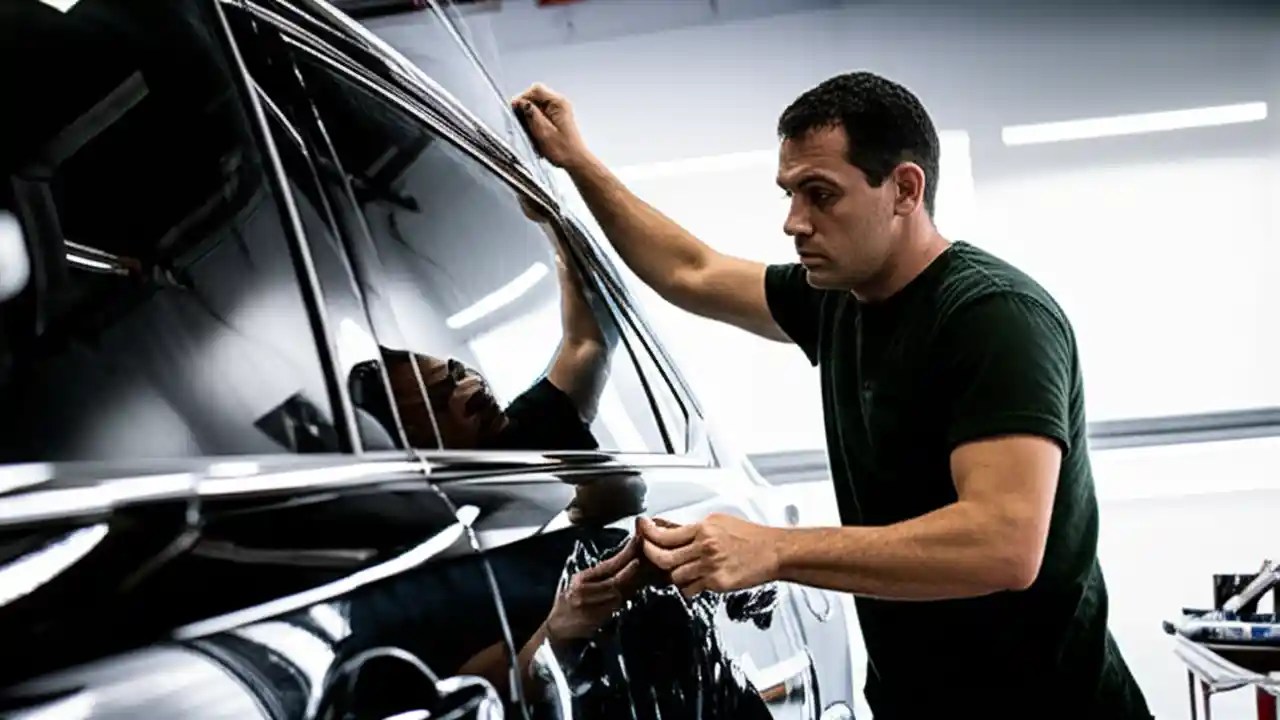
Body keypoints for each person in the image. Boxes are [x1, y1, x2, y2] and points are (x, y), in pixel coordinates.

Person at [511, 72, 1152, 718]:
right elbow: (690, 270)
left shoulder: (992, 315)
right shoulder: (838, 302)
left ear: (905, 189)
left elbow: (1004, 543)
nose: (794, 222)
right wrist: (576, 163)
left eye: (821, 195)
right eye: (790, 193)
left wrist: (774, 549)